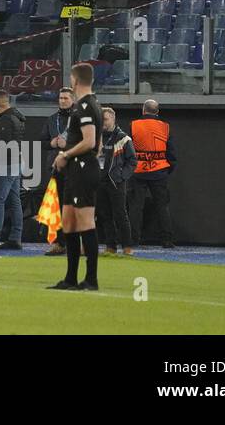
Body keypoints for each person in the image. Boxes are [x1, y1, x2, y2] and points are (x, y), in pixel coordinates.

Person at [48, 62, 104, 291]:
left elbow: (90, 142)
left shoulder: (86, 106)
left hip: (82, 169)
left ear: (75, 80)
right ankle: (70, 278)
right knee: (69, 222)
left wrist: (65, 154)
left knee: (85, 222)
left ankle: (91, 279)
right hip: (76, 169)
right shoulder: (87, 106)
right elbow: (98, 146)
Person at [129, 99, 176, 248]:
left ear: (143, 110)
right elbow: (171, 153)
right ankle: (166, 240)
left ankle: (133, 239)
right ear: (157, 111)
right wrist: (167, 169)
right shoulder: (165, 127)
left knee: (136, 207)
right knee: (162, 206)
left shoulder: (133, 125)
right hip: (159, 171)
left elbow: (128, 149)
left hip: (138, 171)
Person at [0, 90, 25, 251]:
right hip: (15, 163)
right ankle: (16, 237)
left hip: (6, 165)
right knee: (15, 201)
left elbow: (3, 146)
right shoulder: (17, 118)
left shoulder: (5, 121)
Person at [98, 107, 136, 256]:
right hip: (100, 181)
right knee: (105, 215)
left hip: (116, 182)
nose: (103, 123)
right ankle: (111, 247)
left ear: (113, 119)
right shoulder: (95, 137)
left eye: (105, 120)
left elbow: (132, 161)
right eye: (101, 120)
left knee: (120, 214)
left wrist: (122, 176)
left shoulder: (123, 138)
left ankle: (127, 247)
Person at [43, 87, 74, 256]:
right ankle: (59, 243)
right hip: (56, 169)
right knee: (56, 207)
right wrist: (52, 143)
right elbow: (42, 142)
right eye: (60, 98)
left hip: (74, 169)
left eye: (66, 98)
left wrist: (66, 146)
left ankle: (78, 243)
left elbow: (86, 143)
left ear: (73, 100)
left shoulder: (78, 120)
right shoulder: (51, 119)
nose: (62, 101)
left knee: (75, 208)